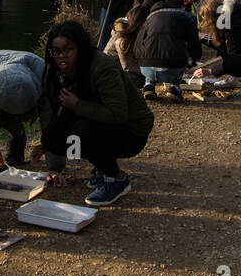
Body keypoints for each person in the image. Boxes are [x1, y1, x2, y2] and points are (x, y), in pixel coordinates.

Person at [30, 21, 154, 206]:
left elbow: (118, 113)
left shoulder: (102, 67)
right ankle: (102, 167)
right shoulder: (65, 70)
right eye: (56, 51)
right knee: (55, 138)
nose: (61, 56)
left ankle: (117, 179)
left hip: (132, 131)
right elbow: (66, 112)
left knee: (80, 133)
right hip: (102, 122)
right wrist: (48, 144)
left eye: (68, 49)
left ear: (80, 48)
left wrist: (78, 105)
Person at [0, 48, 48, 167]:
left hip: (33, 81)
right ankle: (16, 135)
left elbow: (49, 119)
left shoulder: (44, 74)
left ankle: (16, 153)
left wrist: (48, 146)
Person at [133, 0, 202, 99]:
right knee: (182, 48)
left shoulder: (151, 16)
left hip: (145, 66)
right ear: (182, 7)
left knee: (151, 50)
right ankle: (175, 88)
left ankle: (148, 85)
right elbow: (194, 46)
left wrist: (139, 60)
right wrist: (192, 62)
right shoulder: (186, 17)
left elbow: (138, 43)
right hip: (172, 69)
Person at [103, 4, 148, 76]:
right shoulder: (122, 39)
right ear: (140, 24)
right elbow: (127, 67)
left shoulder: (131, 33)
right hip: (109, 72)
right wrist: (149, 72)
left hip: (118, 70)